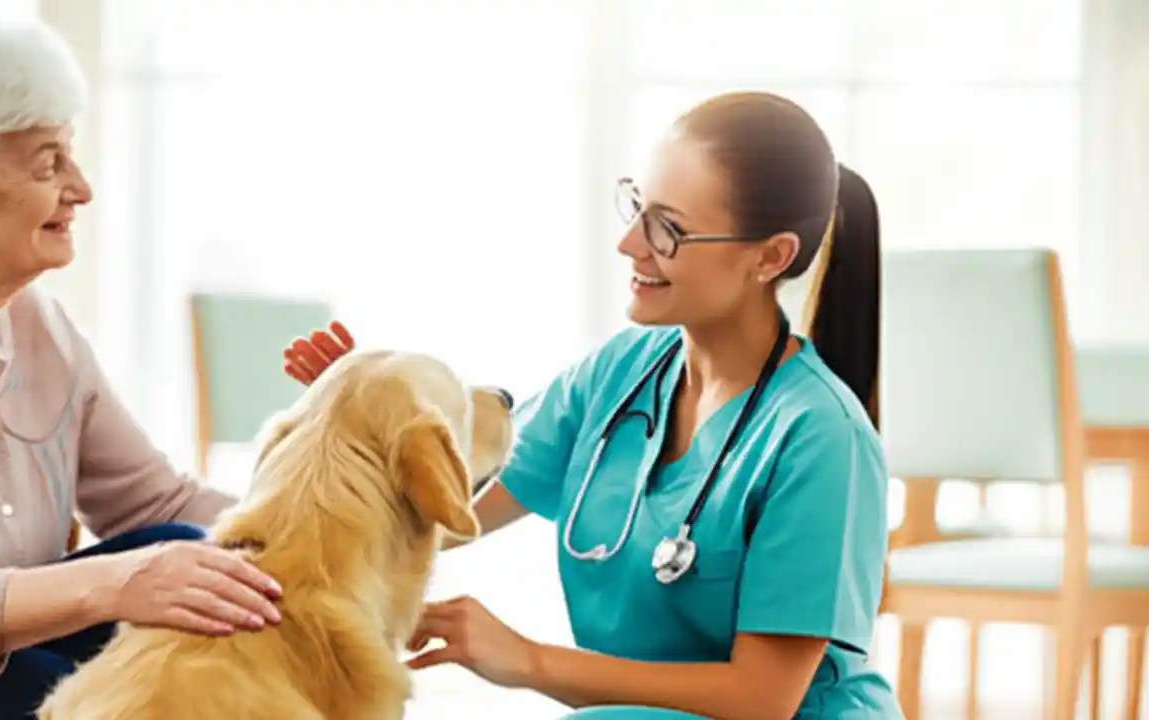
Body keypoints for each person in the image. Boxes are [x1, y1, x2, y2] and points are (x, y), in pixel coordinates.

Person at [284, 91, 901, 718]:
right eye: (637, 206)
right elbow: (446, 512)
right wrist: (362, 430)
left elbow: (760, 699)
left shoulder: (822, 437)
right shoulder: (618, 376)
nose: (630, 243)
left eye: (668, 229)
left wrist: (528, 659)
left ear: (771, 256)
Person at [0, 8, 283, 718]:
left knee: (186, 550)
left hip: (16, 667)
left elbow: (160, 507)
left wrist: (332, 538)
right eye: (46, 162)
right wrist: (119, 584)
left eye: (71, 153)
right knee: (50, 683)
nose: (81, 188)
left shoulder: (43, 329)